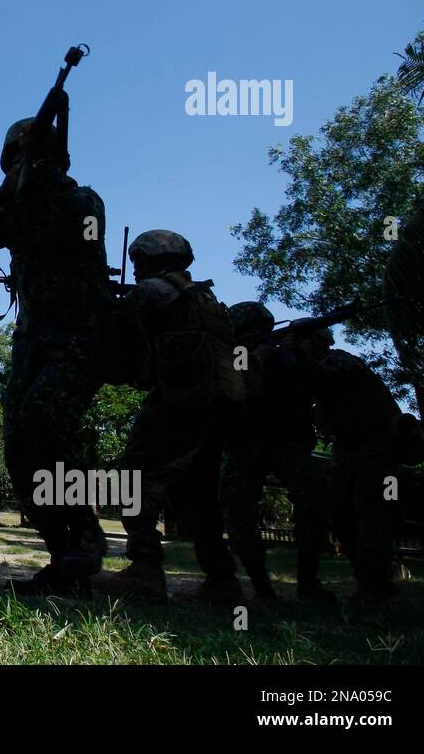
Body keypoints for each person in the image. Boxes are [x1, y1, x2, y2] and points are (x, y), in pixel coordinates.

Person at [0, 115, 111, 596]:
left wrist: (40, 180)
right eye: (17, 158)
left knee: (45, 424)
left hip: (79, 338)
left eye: (33, 156)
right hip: (31, 342)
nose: (26, 165)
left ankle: (86, 531)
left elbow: (74, 224)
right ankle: (64, 561)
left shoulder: (82, 200)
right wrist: (7, 190)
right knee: (19, 449)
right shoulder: (15, 205)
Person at [104, 230, 244, 603]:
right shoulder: (207, 299)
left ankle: (145, 569)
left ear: (150, 260)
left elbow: (118, 350)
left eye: (138, 261)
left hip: (178, 403)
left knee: (133, 477)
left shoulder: (151, 292)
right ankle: (222, 580)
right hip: (217, 406)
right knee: (199, 494)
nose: (136, 270)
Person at [219, 305, 334, 604]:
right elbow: (236, 385)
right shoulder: (236, 355)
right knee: (239, 513)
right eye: (250, 330)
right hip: (244, 444)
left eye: (262, 329)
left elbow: (321, 383)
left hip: (287, 442)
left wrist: (298, 355)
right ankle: (262, 588)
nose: (257, 334)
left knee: (314, 498)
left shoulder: (286, 356)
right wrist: (259, 357)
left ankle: (308, 583)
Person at [304, 331, 413, 605]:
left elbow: (327, 378)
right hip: (347, 448)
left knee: (374, 513)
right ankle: (371, 580)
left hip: (377, 447)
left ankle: (374, 584)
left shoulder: (340, 360)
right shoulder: (316, 367)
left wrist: (296, 358)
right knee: (342, 516)